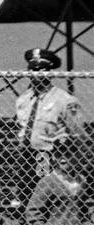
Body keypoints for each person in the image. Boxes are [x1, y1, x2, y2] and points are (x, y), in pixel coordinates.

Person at [14, 48, 85, 190]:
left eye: (42, 69)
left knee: (45, 198)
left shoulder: (64, 100)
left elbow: (77, 134)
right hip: (25, 156)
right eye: (33, 69)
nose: (37, 73)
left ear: (51, 73)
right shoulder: (23, 100)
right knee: (26, 197)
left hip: (50, 156)